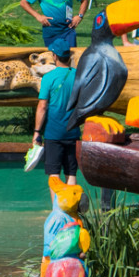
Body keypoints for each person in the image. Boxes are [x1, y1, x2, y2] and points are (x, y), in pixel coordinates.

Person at [33, 49, 79, 208]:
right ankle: (72, 209)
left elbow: (42, 107)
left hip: (53, 133)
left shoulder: (48, 78)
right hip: (73, 132)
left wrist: (37, 132)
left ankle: (57, 210)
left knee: (54, 174)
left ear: (55, 57)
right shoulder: (78, 76)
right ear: (69, 57)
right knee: (71, 173)